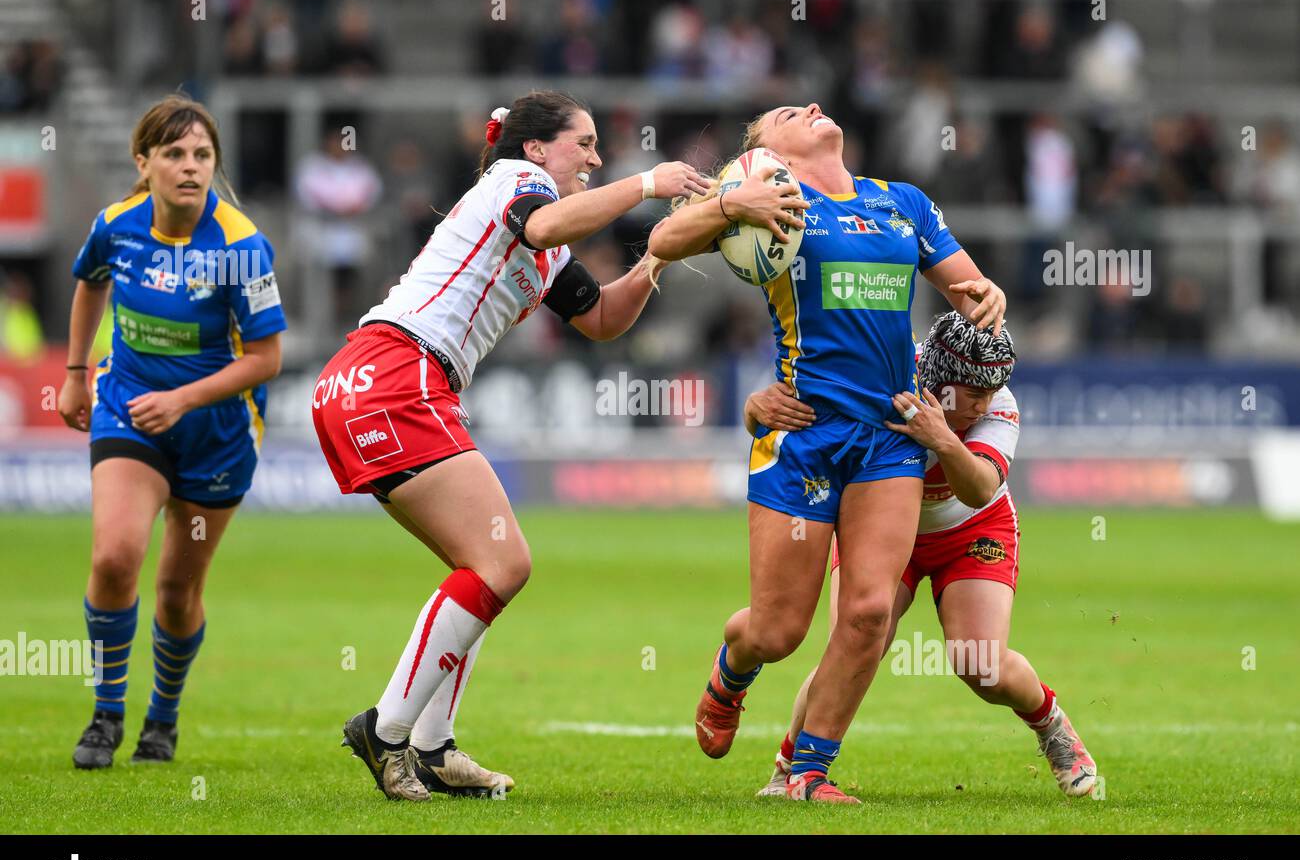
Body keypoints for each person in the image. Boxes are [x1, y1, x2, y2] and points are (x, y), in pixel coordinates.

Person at [312, 90, 709, 801]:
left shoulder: (548, 241)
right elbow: (545, 224)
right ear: (535, 149)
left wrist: (661, 253)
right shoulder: (517, 185)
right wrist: (648, 184)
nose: (594, 156)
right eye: (582, 143)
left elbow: (604, 320)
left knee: (481, 568)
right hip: (399, 374)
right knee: (504, 562)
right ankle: (388, 731)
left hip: (371, 379)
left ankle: (432, 747)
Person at [648, 102, 1006, 803]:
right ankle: (732, 671)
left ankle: (808, 772)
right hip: (803, 434)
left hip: (889, 435)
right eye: (789, 111)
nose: (812, 107)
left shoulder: (901, 202)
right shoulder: (773, 200)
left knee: (871, 612)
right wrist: (732, 200)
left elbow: (970, 289)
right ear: (764, 150)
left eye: (811, 104)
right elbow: (663, 239)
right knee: (779, 631)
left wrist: (984, 296)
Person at [747, 313, 1100, 799]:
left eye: (990, 392)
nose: (982, 405)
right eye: (971, 393)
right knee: (849, 647)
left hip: (970, 529)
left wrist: (942, 437)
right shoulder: (887, 374)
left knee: (981, 665)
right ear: (938, 375)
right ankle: (789, 769)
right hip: (882, 529)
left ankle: (1053, 727)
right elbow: (804, 407)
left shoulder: (1000, 406)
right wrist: (754, 407)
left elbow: (978, 489)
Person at [58, 95, 286, 768]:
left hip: (217, 429)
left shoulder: (243, 246)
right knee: (113, 557)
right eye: (175, 154)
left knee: (178, 590)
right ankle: (106, 713)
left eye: (202, 156)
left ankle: (163, 718)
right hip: (129, 407)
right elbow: (89, 282)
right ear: (145, 162)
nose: (190, 168)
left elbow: (266, 359)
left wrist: (183, 399)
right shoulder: (117, 225)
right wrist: (76, 372)